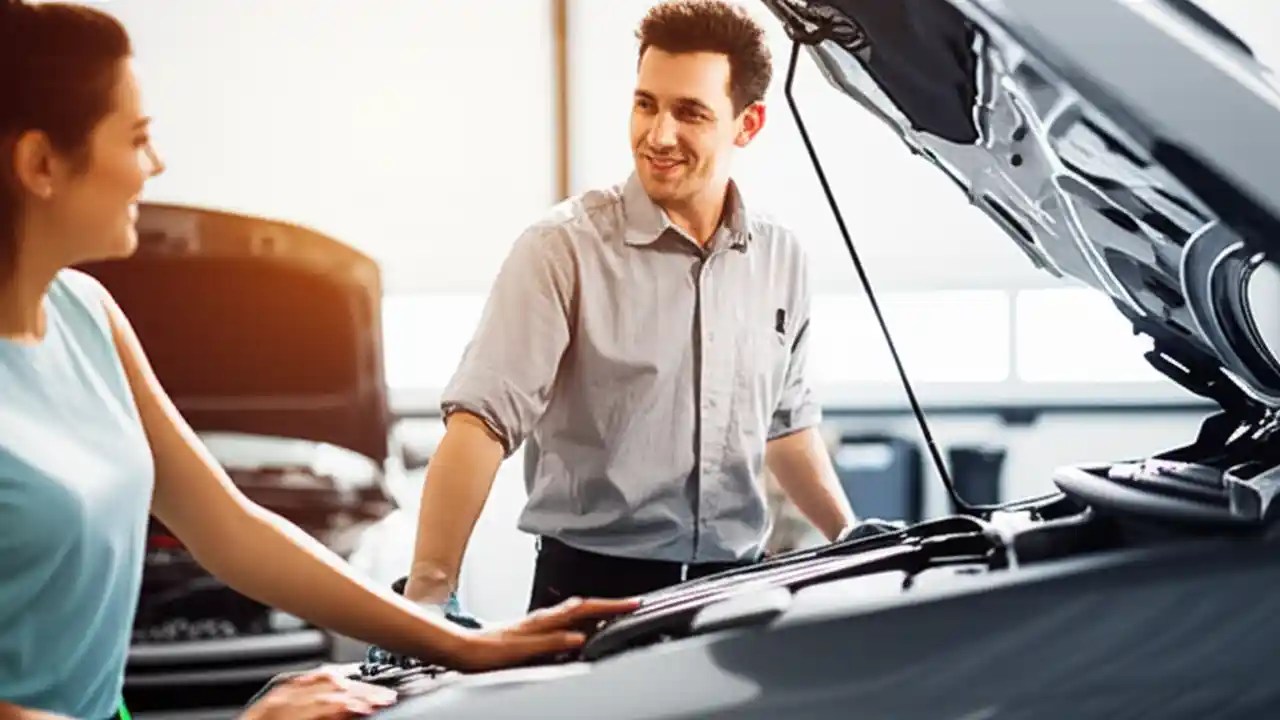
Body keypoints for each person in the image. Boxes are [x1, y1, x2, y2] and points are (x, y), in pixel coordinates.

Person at [0, 3, 635, 719]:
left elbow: (229, 528)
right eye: (138, 137)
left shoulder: (87, 315)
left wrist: (462, 643)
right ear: (41, 164)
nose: (158, 164)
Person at [405, 0, 859, 615]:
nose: (658, 135)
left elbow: (788, 427)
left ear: (747, 124)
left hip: (736, 594)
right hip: (590, 594)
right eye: (646, 104)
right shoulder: (561, 249)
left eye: (690, 112)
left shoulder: (781, 258)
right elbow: (480, 426)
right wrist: (428, 597)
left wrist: (851, 537)